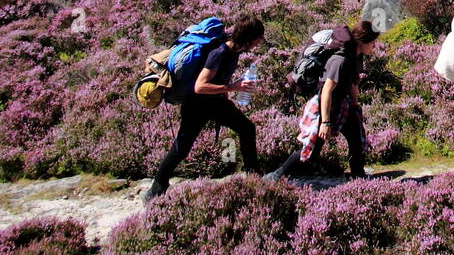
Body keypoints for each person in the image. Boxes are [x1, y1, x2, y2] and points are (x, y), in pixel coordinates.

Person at [144, 15, 265, 202]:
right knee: (181, 149)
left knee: (247, 128)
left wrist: (225, 93)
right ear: (249, 37)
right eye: (258, 38)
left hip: (215, 103)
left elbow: (218, 78)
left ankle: (254, 178)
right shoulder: (220, 53)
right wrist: (232, 87)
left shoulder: (235, 51)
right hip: (197, 105)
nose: (259, 42)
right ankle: (156, 188)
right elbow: (200, 86)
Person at [266, 21, 380, 181]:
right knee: (311, 150)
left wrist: (355, 105)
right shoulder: (340, 60)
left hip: (343, 105)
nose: (375, 46)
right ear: (362, 41)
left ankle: (358, 176)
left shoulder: (356, 57)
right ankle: (275, 176)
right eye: (373, 42)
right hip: (325, 107)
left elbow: (353, 82)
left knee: (357, 139)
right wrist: (325, 123)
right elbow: (326, 91)